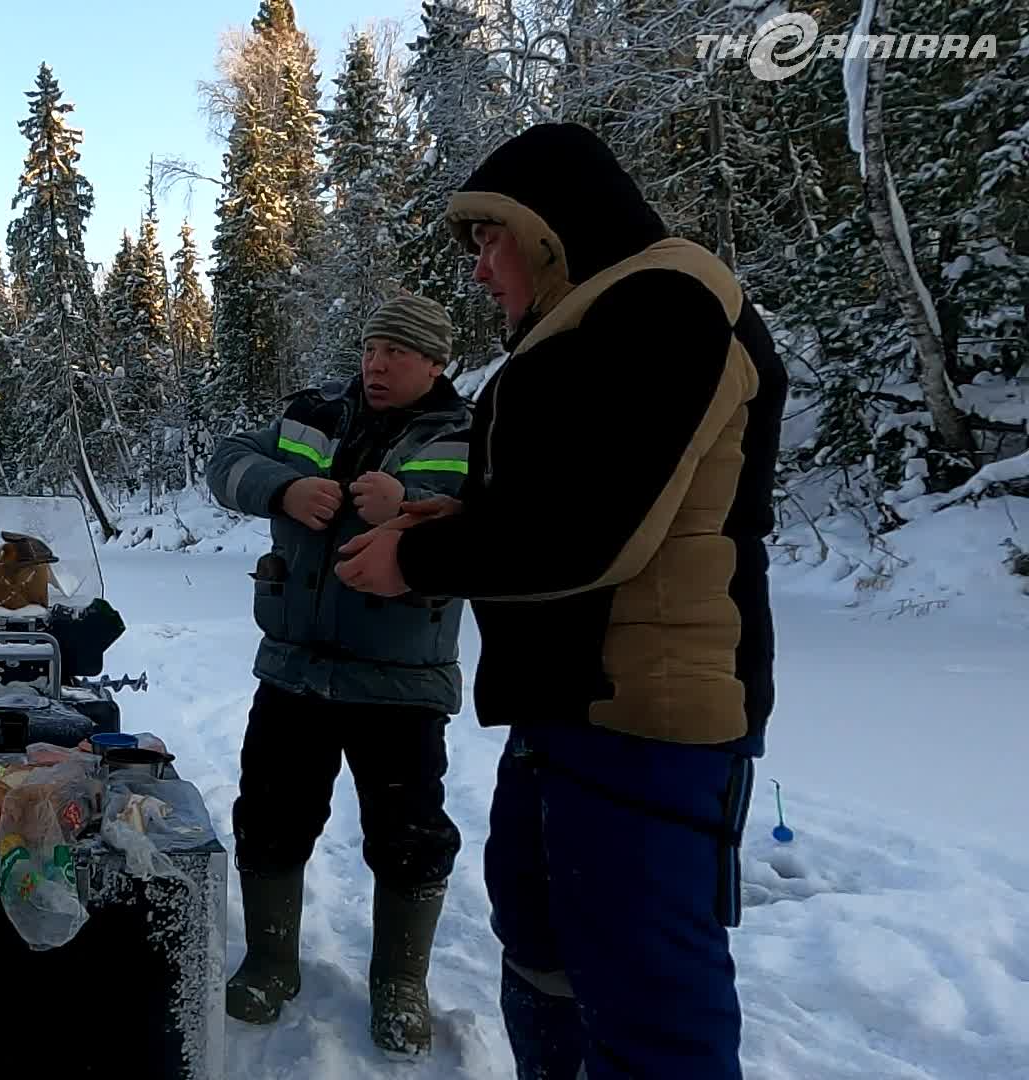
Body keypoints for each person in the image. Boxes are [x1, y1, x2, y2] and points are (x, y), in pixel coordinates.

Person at [334, 123, 787, 1079]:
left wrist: (421, 562)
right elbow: (571, 494)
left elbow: (596, 525)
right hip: (568, 709)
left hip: (649, 718)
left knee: (648, 994)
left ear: (551, 224)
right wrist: (452, 516)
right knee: (544, 944)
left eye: (490, 238)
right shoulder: (592, 317)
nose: (480, 267)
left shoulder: (666, 298)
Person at [203, 292, 474, 1056]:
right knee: (270, 818)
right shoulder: (311, 413)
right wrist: (282, 488)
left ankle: (400, 983)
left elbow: (500, 519)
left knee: (410, 835)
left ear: (434, 362)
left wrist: (411, 502)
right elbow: (226, 461)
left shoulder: (469, 433)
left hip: (402, 681)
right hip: (293, 671)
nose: (376, 365)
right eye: (370, 349)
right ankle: (270, 960)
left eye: (396, 353)